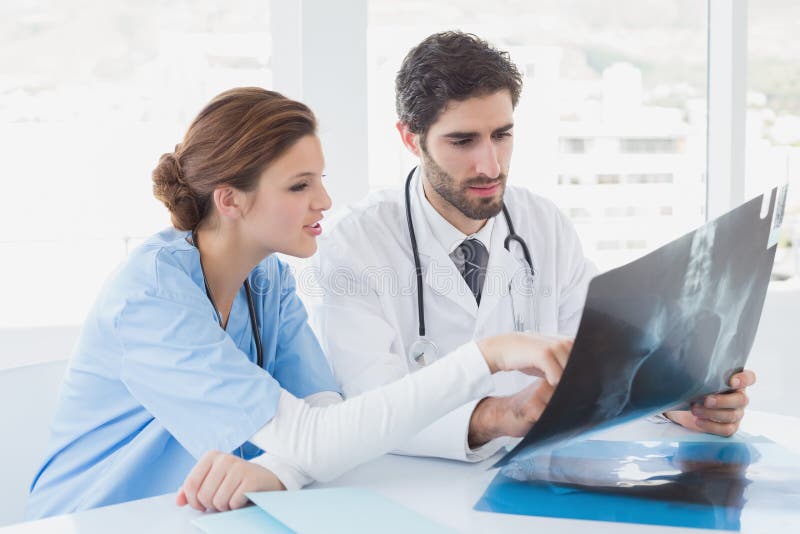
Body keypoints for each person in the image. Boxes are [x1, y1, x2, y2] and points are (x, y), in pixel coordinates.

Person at [25, 87, 573, 519]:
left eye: (321, 180)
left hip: (212, 516)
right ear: (230, 200)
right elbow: (316, 439)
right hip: (103, 519)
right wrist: (487, 356)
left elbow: (329, 423)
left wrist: (283, 469)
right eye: (299, 186)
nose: (325, 201)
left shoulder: (268, 279)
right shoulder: (151, 300)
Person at [313, 31, 756, 462]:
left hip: (536, 474)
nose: (490, 165)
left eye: (501, 135)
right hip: (412, 486)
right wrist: (499, 416)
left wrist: (675, 401)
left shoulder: (542, 224)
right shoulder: (355, 244)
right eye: (463, 141)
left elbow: (601, 356)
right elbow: (367, 406)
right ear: (411, 139)